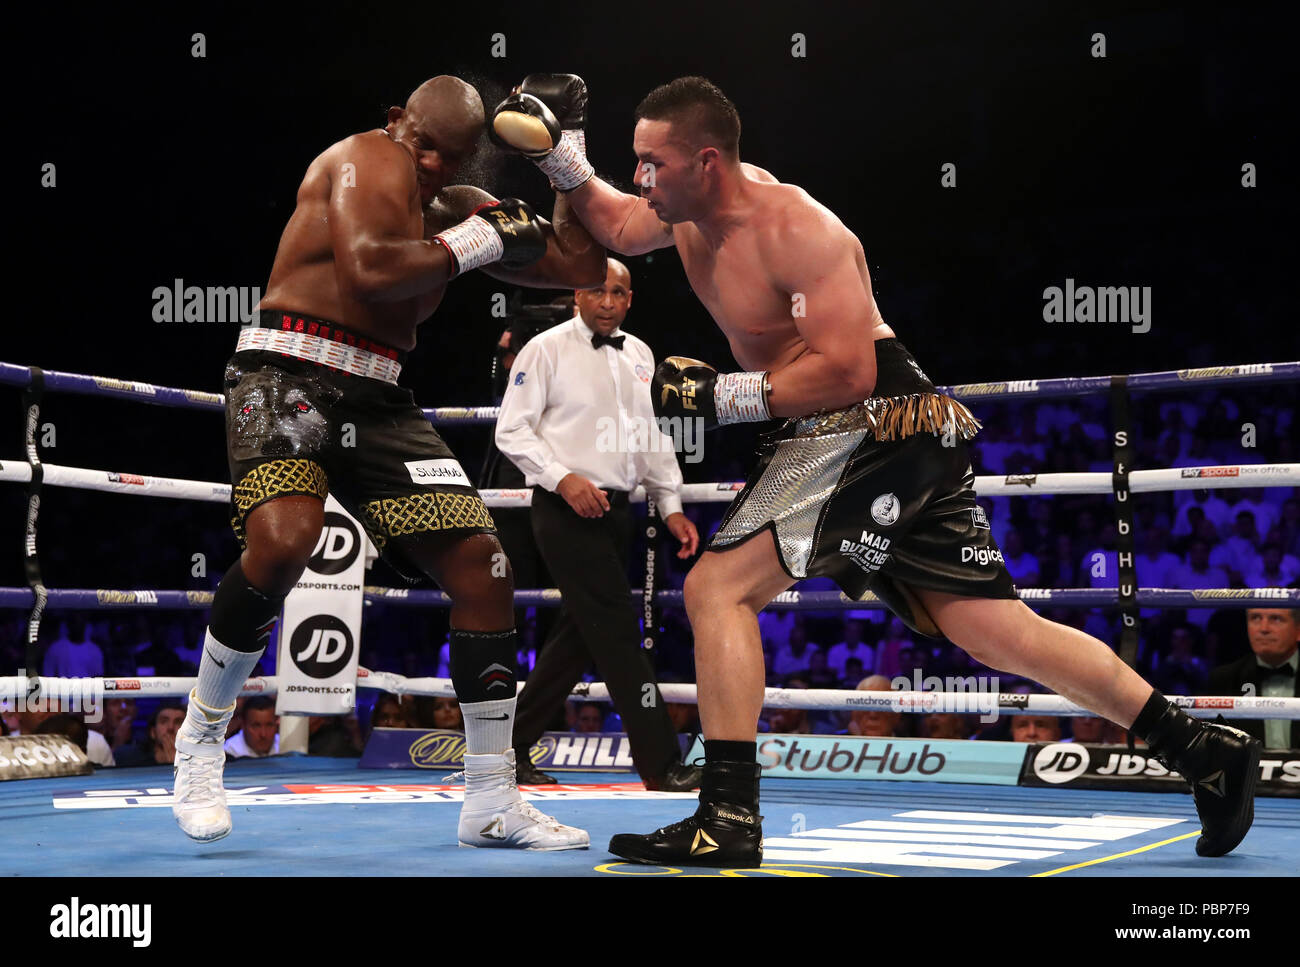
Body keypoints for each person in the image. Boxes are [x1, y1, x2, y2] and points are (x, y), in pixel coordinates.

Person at [493, 73, 1262, 866]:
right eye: (637, 160)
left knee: (716, 587)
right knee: (997, 632)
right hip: (870, 428)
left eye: (653, 162)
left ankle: (727, 815)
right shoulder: (680, 215)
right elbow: (614, 222)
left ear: (709, 161)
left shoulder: (798, 229)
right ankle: (1204, 749)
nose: (642, 179)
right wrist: (559, 147)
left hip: (868, 418)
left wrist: (718, 395)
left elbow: (850, 373)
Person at [174, 75, 604, 850]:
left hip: (379, 398)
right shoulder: (370, 156)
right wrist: (477, 242)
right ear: (398, 121)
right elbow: (370, 270)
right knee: (282, 543)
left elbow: (580, 265)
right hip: (287, 374)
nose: (430, 162)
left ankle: (490, 800)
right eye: (424, 141)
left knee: (483, 566)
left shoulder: (455, 205)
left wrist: (564, 152)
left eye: (452, 153)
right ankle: (202, 740)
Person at [493, 255, 702, 791]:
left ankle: (505, 751)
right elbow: (511, 431)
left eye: (618, 292)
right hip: (565, 510)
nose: (607, 301)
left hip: (619, 512)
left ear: (629, 299)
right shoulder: (545, 349)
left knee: (580, 638)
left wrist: (671, 505)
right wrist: (562, 478)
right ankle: (660, 764)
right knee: (617, 635)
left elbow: (651, 436)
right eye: (597, 290)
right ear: (576, 296)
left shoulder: (640, 354)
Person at [1207, 608, 1299, 749]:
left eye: (1276, 619)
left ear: (1298, 629)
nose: (1264, 629)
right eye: (1255, 618)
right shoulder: (1224, 678)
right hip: (1248, 771)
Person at [116, 703, 186, 767]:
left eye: (178, 722)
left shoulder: (195, 762)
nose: (170, 727)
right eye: (164, 721)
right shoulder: (128, 758)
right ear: (153, 732)